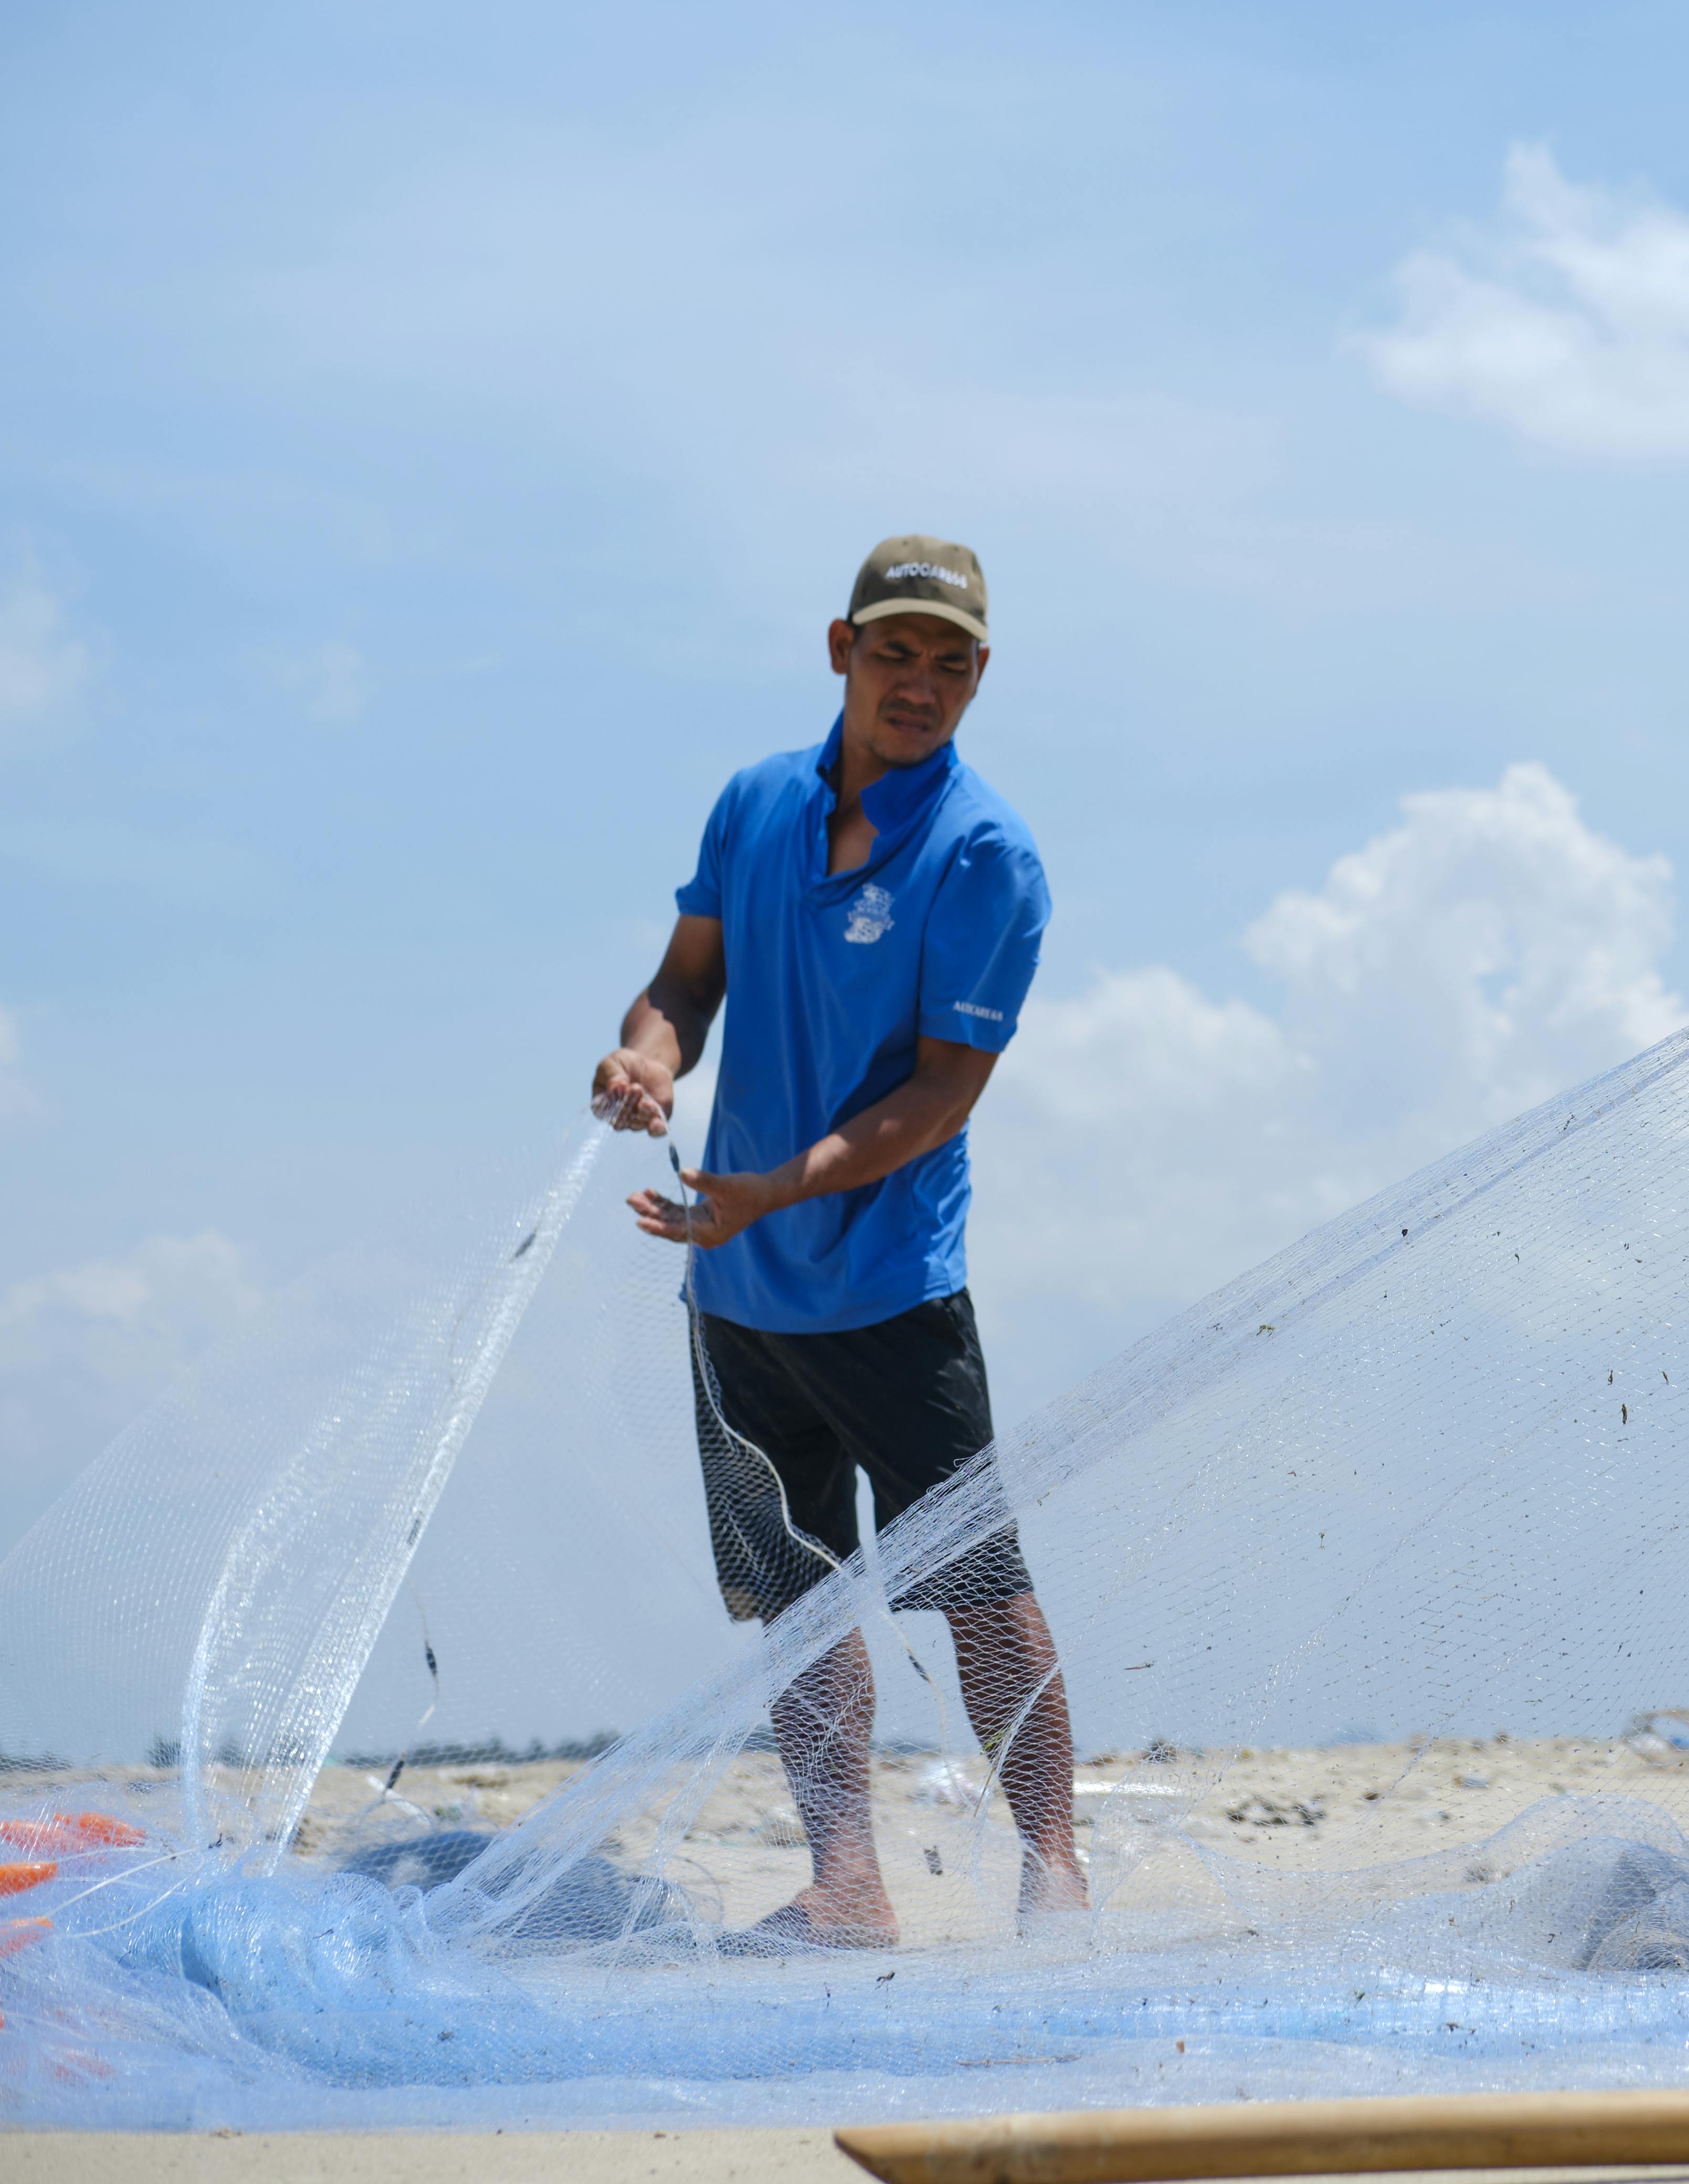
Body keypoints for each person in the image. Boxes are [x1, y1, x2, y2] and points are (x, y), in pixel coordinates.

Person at [590, 535, 1082, 1947]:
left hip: (888, 1289)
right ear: (840, 650)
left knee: (979, 1594)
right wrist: (647, 1063)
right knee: (791, 1607)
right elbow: (687, 980)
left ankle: (1055, 1872)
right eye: (894, 653)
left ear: (979, 677)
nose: (917, 685)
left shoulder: (988, 853)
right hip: (735, 1287)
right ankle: (846, 1885)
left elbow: (942, 1094)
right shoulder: (753, 805)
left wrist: (774, 1189)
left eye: (948, 664)